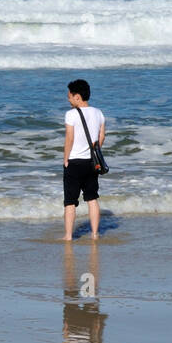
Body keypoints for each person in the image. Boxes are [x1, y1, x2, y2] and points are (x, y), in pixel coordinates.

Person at [63, 78, 105, 240]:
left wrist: (65, 159)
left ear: (77, 97)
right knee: (92, 198)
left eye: (69, 96)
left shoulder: (71, 114)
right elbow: (101, 136)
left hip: (74, 161)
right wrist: (95, 151)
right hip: (91, 162)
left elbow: (69, 139)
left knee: (70, 201)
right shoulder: (98, 113)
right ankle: (95, 234)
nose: (68, 99)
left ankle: (68, 236)